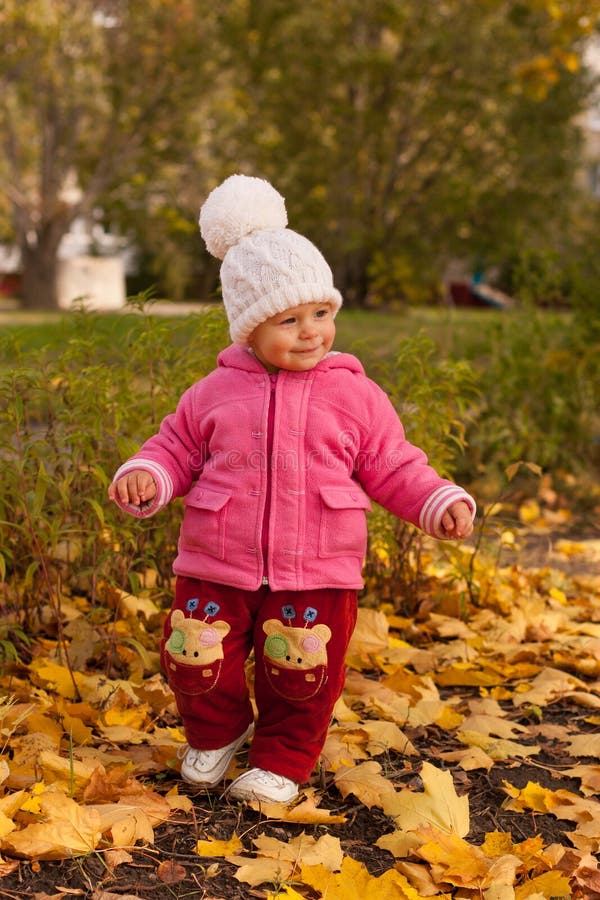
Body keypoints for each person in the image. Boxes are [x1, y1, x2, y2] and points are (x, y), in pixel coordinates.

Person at [108, 174, 476, 803]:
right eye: (289, 319)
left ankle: (284, 755)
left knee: (299, 671)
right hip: (217, 560)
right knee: (194, 658)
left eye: (322, 313)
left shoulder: (354, 395)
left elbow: (392, 461)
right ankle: (218, 730)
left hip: (318, 568)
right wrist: (149, 474)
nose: (311, 331)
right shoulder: (213, 393)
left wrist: (436, 498)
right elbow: (176, 446)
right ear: (248, 327)